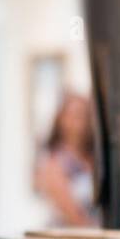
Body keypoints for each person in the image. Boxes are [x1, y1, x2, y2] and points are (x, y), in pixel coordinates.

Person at [35, 92, 98, 228]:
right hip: (70, 238)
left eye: (82, 115)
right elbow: (72, 214)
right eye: (72, 115)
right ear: (61, 118)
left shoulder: (94, 161)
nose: (77, 122)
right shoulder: (54, 163)